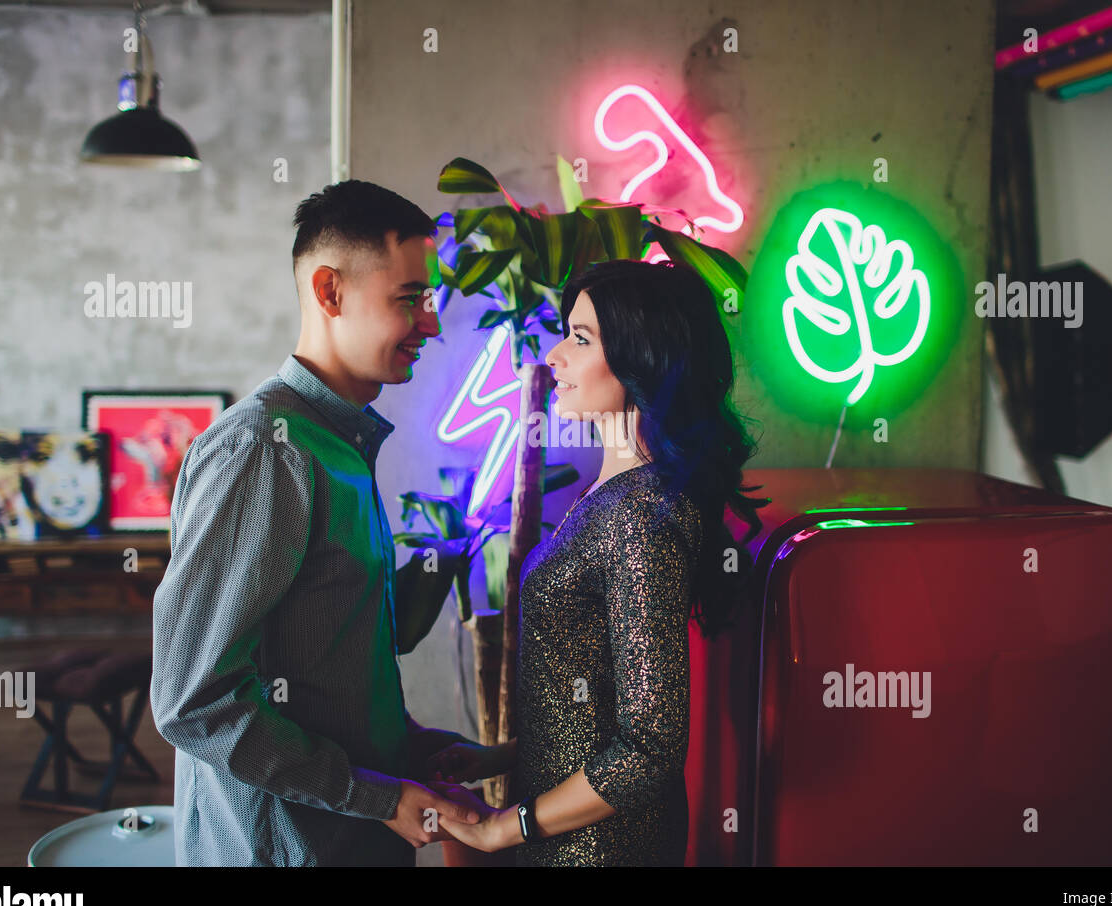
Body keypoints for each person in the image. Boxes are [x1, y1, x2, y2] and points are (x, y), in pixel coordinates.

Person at [151, 180, 489, 866]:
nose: (429, 324)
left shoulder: (336, 446)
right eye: (408, 300)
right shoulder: (263, 451)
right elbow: (193, 700)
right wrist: (378, 796)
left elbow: (320, 665)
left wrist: (410, 752)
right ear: (330, 292)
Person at [433, 259, 767, 865]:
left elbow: (648, 748)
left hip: (603, 851)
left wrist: (502, 828)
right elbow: (589, 709)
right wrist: (501, 756)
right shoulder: (616, 493)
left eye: (580, 338)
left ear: (644, 357)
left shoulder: (644, 514)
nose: (555, 355)